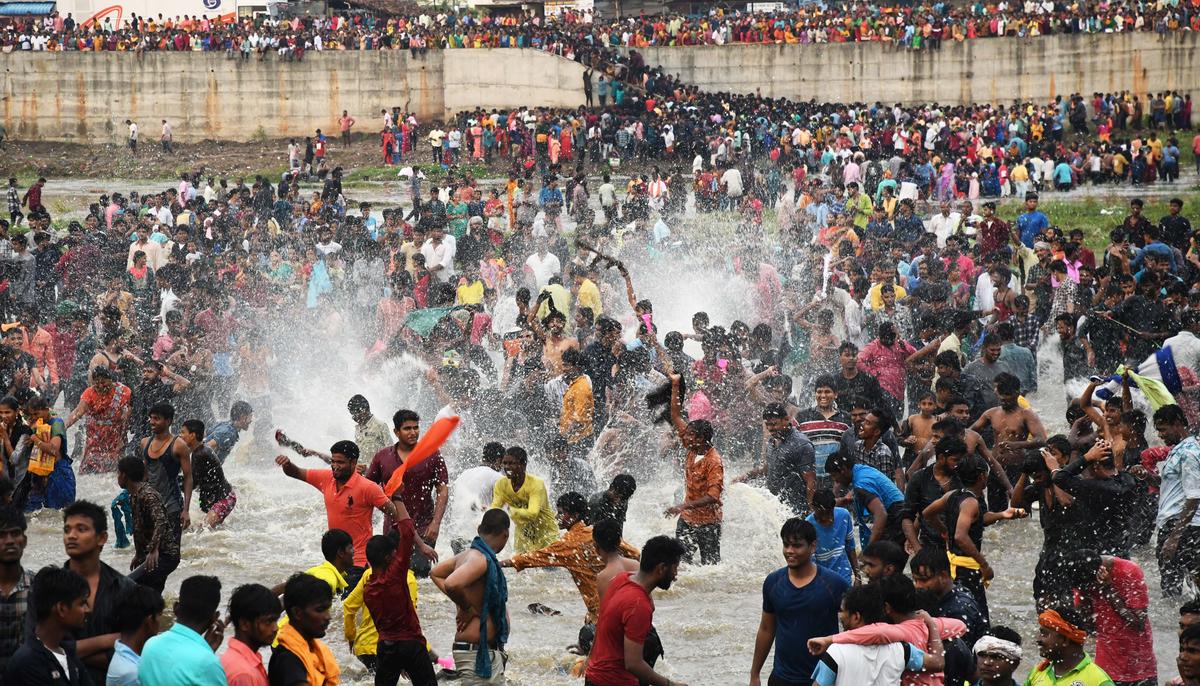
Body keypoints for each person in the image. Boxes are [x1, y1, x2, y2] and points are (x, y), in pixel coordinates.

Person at [503, 492, 638, 623]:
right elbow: (634, 553)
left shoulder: (567, 544)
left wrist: (498, 563)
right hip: (624, 607)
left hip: (600, 614)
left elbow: (533, 558)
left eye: (561, 513)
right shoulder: (596, 533)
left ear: (575, 515)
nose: (557, 517)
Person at [276, 440, 400, 583]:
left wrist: (392, 545)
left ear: (353, 462)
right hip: (334, 564)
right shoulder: (326, 478)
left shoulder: (368, 488)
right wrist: (287, 464)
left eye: (340, 462)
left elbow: (395, 514)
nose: (335, 466)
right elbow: (295, 472)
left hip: (358, 562)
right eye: (333, 461)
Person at [748, 518, 849, 686]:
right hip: (781, 677)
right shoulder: (773, 582)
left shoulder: (834, 584)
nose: (789, 551)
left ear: (813, 546)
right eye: (786, 545)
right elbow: (766, 629)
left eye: (797, 546)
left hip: (822, 678)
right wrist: (755, 674)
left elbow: (855, 627)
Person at [584, 535, 689, 686]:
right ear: (661, 568)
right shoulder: (638, 604)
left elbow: (600, 622)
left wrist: (589, 658)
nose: (676, 575)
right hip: (613, 681)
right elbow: (633, 663)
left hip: (594, 675)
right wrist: (671, 684)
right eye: (674, 568)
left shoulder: (621, 579)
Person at [430, 508, 511, 685]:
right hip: (476, 653)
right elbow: (452, 583)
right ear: (505, 534)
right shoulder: (480, 559)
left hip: (473, 651)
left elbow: (436, 573)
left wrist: (465, 600)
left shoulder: (466, 555)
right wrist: (467, 608)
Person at [363, 496, 438, 686]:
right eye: (394, 553)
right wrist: (397, 497)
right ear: (389, 557)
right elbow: (406, 528)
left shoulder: (368, 590)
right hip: (412, 644)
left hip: (386, 647)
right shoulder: (396, 575)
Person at [808, 584, 945, 686]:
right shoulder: (902, 650)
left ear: (856, 616)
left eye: (843, 611)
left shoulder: (836, 652)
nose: (840, 616)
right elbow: (938, 663)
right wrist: (931, 625)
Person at [366, 409, 448, 578]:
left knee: (419, 575)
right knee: (393, 575)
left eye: (416, 428)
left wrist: (436, 523)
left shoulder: (432, 454)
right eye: (407, 428)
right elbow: (369, 489)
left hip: (425, 527)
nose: (413, 432)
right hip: (393, 529)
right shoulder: (382, 457)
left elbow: (442, 490)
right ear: (396, 432)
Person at [1058, 549, 1156, 686]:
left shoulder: (1129, 571)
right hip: (1105, 669)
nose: (1088, 587)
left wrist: (1108, 590)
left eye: (1088, 585)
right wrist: (1084, 596)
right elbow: (1088, 626)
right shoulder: (1083, 576)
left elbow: (1138, 622)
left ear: (1100, 570)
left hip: (1140, 668)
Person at [665, 371, 724, 565]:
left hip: (709, 522)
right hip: (688, 519)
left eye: (690, 435)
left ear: (701, 439)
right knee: (680, 564)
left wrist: (682, 506)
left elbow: (713, 496)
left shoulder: (713, 461)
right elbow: (675, 414)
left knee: (711, 566)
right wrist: (675, 385)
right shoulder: (692, 447)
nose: (685, 438)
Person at [3, 566, 90, 686]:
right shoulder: (28, 663)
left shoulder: (69, 657)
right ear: (62, 609)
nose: (88, 610)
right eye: (82, 604)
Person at [137, 575, 225, 686]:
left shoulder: (150, 645)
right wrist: (207, 652)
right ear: (215, 618)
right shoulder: (209, 663)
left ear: (175, 608)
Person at [733, 403, 815, 515]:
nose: (770, 428)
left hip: (795, 508)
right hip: (775, 507)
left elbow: (811, 481)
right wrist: (746, 476)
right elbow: (768, 469)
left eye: (774, 424)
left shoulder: (801, 444)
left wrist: (811, 511)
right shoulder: (772, 442)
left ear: (786, 420)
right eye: (767, 424)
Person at [116, 457, 179, 594]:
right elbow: (139, 527)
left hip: (165, 556)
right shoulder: (134, 495)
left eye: (118, 473)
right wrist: (139, 554)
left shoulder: (148, 495)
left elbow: (160, 521)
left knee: (126, 585)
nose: (117, 477)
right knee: (151, 595)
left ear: (124, 475)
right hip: (156, 555)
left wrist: (153, 549)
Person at [909, 546, 988, 650]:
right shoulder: (938, 595)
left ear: (944, 576)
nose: (918, 586)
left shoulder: (960, 609)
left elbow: (959, 651)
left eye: (924, 580)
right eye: (915, 580)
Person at [270, 573, 339, 686]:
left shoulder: (313, 648)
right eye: (320, 610)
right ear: (297, 613)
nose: (328, 616)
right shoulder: (289, 659)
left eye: (328, 609)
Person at [825, 451, 905, 548]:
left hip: (896, 519)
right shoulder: (860, 470)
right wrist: (843, 500)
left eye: (834, 475)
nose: (835, 481)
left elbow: (881, 515)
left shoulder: (861, 484)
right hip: (900, 513)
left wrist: (869, 549)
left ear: (843, 470)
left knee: (881, 560)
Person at [490, 445, 557, 553]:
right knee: (520, 567)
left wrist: (509, 510)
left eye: (511, 463)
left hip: (546, 536)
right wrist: (485, 514)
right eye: (505, 463)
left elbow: (533, 513)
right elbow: (495, 508)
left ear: (523, 465)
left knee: (550, 570)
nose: (506, 467)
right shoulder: (500, 484)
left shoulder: (536, 484)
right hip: (523, 537)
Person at [1025, 607, 1115, 686]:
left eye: (1044, 634)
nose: (1038, 639)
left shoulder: (1098, 680)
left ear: (1065, 640)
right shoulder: (1036, 673)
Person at [221, 584, 281, 686]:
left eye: (276, 620)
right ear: (244, 624)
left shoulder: (235, 658)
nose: (276, 628)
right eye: (268, 622)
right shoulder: (243, 674)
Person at [105, 585, 164, 686]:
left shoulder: (125, 656)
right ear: (150, 621)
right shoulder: (133, 674)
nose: (160, 623)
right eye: (159, 616)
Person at [181, 420, 235, 528]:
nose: (180, 436)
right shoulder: (202, 449)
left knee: (203, 531)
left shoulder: (200, 454)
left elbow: (193, 482)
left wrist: (171, 483)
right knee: (208, 531)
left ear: (192, 435)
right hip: (223, 497)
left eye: (183, 432)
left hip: (224, 499)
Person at [0, 505, 31, 673]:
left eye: (15, 534)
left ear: (24, 541)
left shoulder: (38, 587)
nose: (10, 541)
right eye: (2, 535)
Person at [806, 489, 857, 585]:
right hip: (822, 581)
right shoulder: (808, 525)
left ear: (834, 507)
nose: (825, 518)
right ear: (813, 507)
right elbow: (810, 563)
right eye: (821, 514)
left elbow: (851, 547)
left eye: (829, 513)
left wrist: (858, 577)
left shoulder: (844, 515)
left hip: (844, 577)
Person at [203, 400, 253, 465]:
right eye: (250, 417)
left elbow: (203, 435)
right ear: (242, 417)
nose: (251, 421)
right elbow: (203, 449)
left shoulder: (223, 424)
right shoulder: (229, 434)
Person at [348, 395, 391, 466]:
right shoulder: (358, 428)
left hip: (377, 472)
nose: (354, 418)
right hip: (361, 473)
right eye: (352, 415)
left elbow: (390, 451)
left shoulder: (380, 425)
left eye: (355, 414)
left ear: (364, 410)